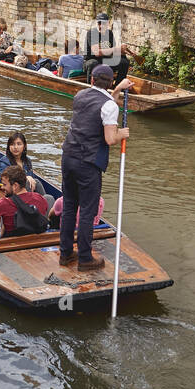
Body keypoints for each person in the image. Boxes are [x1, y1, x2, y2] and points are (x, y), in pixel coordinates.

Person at [58, 64, 133, 271]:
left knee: (70, 206)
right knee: (88, 211)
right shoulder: (109, 106)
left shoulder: (80, 95)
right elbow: (110, 138)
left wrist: (117, 91)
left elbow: (104, 108)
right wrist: (122, 134)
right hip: (88, 163)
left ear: (91, 80)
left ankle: (65, 254)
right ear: (109, 83)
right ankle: (84, 259)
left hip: (69, 157)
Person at [0, 166, 49, 238]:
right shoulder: (40, 199)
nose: (2, 187)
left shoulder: (2, 205)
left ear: (15, 186)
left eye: (5, 184)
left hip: (11, 245)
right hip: (39, 242)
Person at [83, 13, 131, 82]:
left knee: (124, 62)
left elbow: (113, 51)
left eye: (103, 23)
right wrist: (117, 49)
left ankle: (118, 87)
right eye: (99, 23)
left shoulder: (109, 33)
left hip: (104, 61)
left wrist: (123, 51)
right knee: (93, 63)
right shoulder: (92, 33)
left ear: (107, 24)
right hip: (90, 61)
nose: (101, 26)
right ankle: (90, 88)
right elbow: (97, 53)